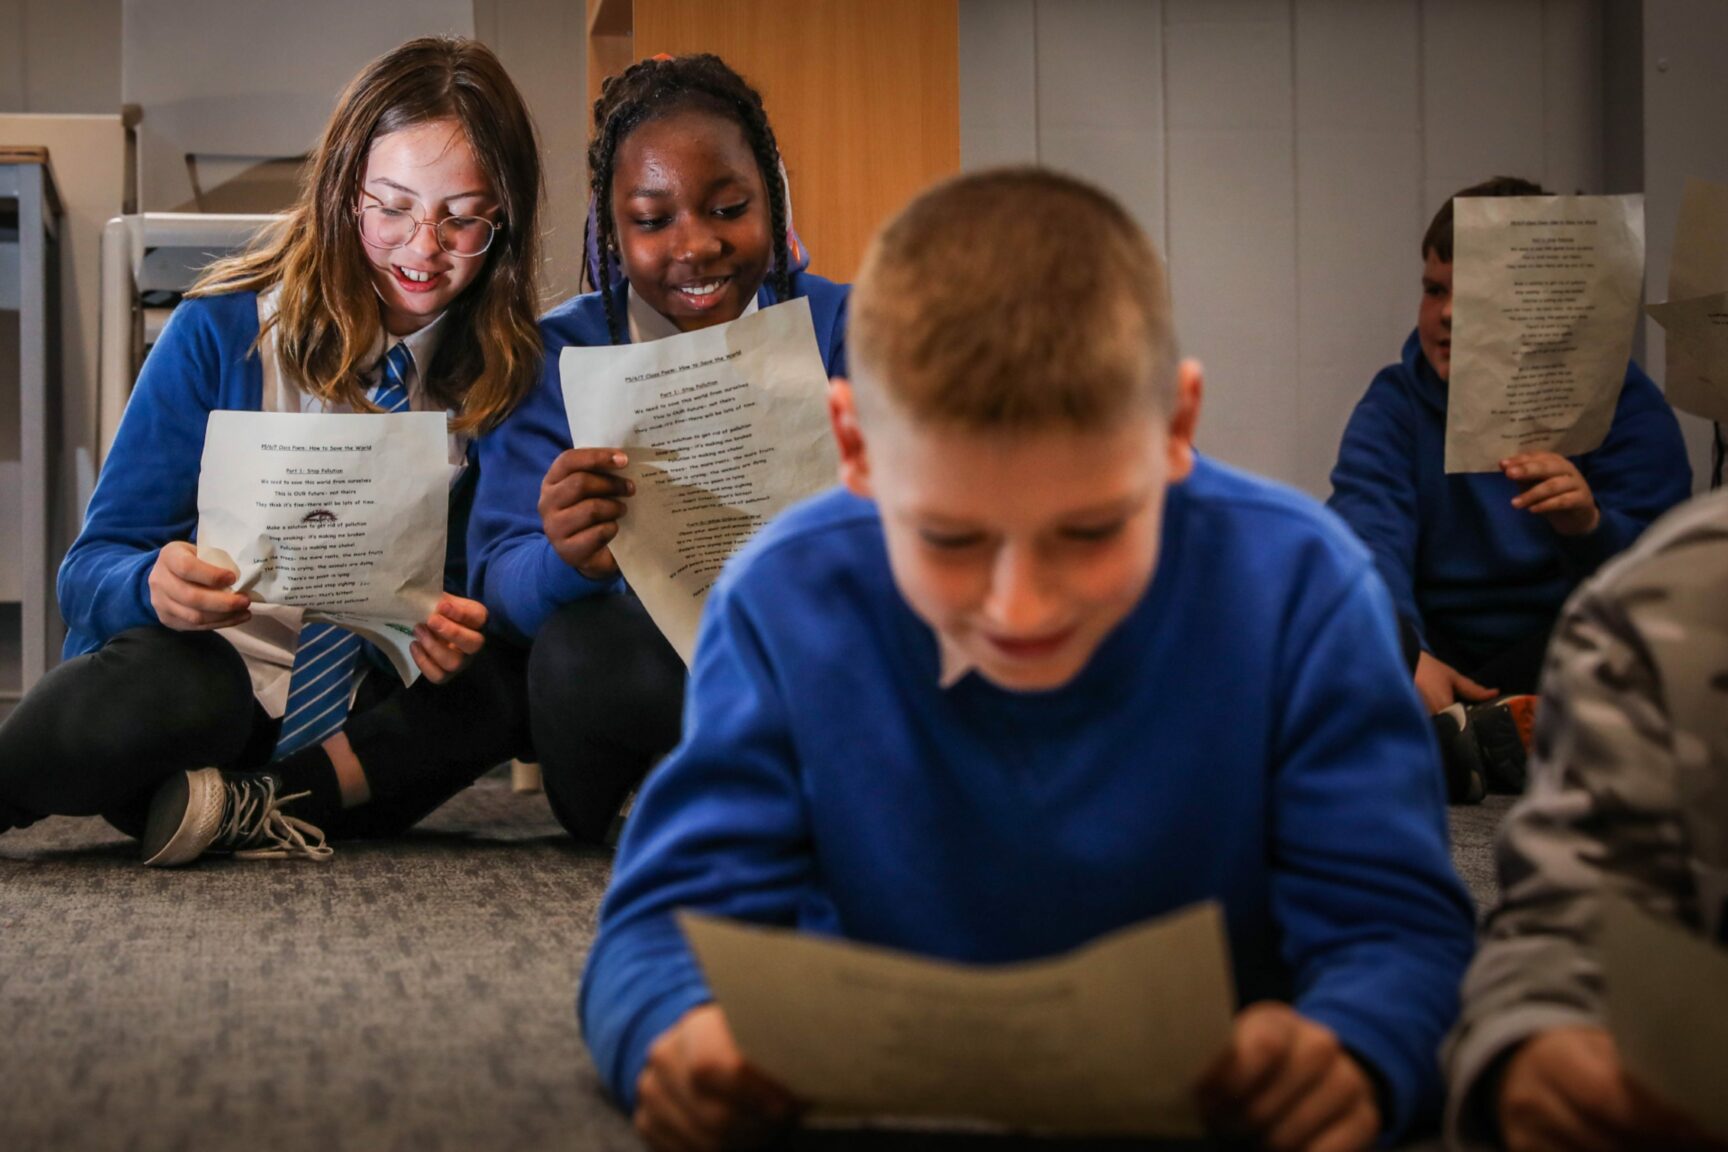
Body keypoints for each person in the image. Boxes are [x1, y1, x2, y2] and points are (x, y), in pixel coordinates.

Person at [578, 168, 1476, 1152]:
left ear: (1176, 428)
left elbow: (1398, 930)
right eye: (952, 539)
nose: (1020, 605)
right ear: (855, 446)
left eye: (1089, 530)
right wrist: (681, 1034)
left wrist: (1352, 1049)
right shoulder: (786, 597)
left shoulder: (1304, 585)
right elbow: (660, 928)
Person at [0, 36, 543, 865]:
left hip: (361, 718)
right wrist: (152, 585)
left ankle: (254, 808)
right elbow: (89, 571)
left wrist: (457, 628)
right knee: (174, 690)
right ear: (343, 191)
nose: (424, 249)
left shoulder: (502, 373)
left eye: (463, 217)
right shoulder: (221, 330)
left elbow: (478, 591)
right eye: (392, 206)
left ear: (505, 219)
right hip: (206, 691)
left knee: (507, 681)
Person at [467, 53, 847, 844]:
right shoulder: (555, 358)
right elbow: (497, 580)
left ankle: (756, 792)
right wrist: (563, 558)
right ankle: (775, 789)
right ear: (611, 230)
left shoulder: (844, 329)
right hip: (638, 673)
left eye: (730, 207)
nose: (697, 245)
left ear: (773, 205)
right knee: (572, 656)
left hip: (809, 655)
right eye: (652, 220)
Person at [1327, 175, 1690, 800]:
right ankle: (1486, 737)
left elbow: (1660, 581)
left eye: (1473, 296)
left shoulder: (1621, 405)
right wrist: (1409, 659)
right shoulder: (1396, 404)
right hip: (1437, 653)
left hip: (1567, 648)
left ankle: (1465, 741)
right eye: (1433, 290)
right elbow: (1368, 541)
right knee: (1326, 626)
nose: (1444, 314)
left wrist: (1589, 528)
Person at [1445, 488, 1728, 1152]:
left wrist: (1589, 520)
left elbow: (1645, 512)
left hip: (1552, 629)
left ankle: (1466, 738)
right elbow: (1564, 939)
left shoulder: (1627, 416)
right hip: (1472, 648)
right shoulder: (1675, 598)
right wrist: (1536, 1046)